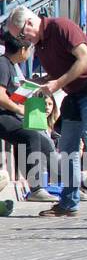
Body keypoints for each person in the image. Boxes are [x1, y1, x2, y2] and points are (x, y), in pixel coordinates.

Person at [7, 5, 87, 219]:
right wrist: (39, 83)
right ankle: (68, 201)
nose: (23, 41)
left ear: (30, 23)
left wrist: (57, 83)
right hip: (74, 96)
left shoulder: (61, 26)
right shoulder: (41, 45)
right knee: (67, 148)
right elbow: (60, 71)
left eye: (21, 35)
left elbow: (85, 59)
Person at [0, 31, 57, 201]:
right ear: (23, 50)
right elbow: (1, 96)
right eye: (30, 49)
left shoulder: (12, 65)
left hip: (10, 114)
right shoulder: (3, 64)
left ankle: (70, 184)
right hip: (3, 114)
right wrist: (20, 109)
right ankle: (36, 188)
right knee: (29, 135)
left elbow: (13, 91)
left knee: (46, 144)